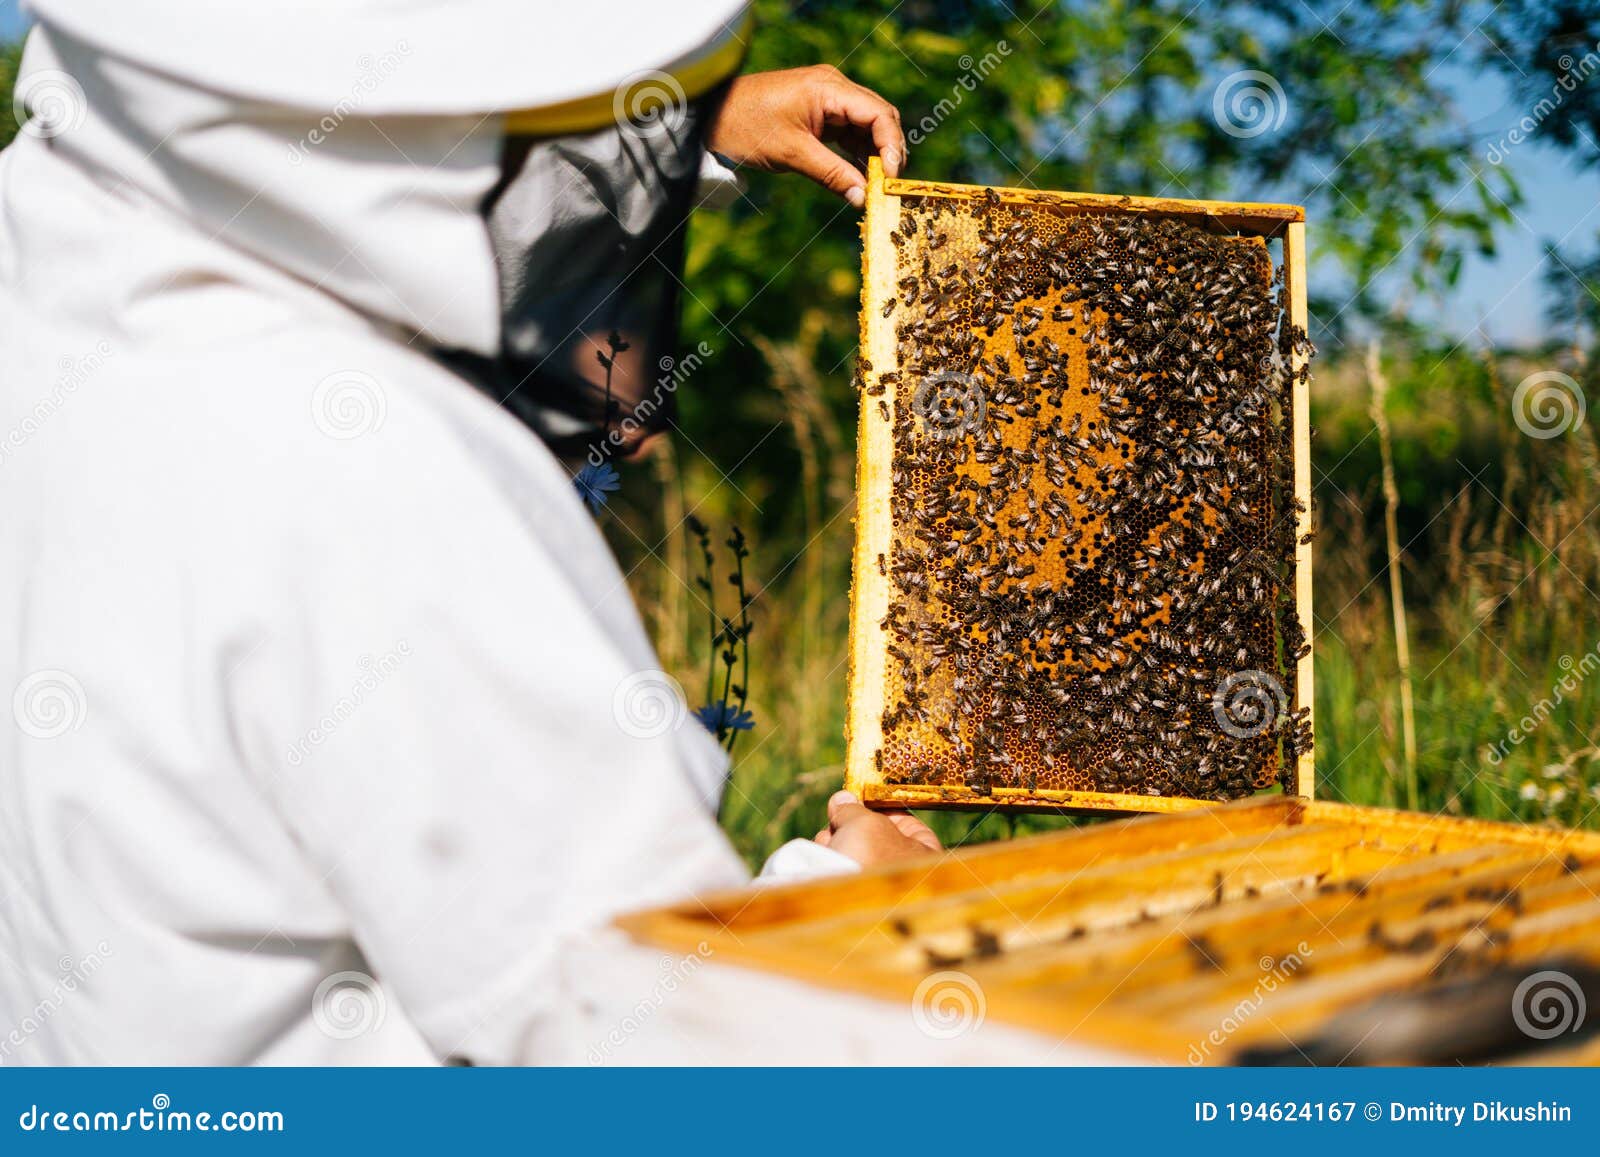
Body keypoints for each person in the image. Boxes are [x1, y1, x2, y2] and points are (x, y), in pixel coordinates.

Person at [0, 0, 939, 1065]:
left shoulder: (42, 259)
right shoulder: (380, 477)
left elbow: (354, 160)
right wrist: (853, 906)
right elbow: (658, 1055)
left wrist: (672, 125)